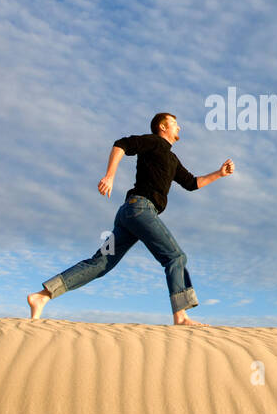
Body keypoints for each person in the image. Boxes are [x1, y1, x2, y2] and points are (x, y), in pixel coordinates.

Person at [27, 112, 234, 326]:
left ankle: (42, 296)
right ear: (163, 127)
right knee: (175, 257)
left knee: (100, 264)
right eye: (175, 123)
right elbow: (121, 145)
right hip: (140, 210)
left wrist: (219, 173)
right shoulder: (153, 142)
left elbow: (192, 183)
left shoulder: (172, 159)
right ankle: (181, 316)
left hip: (129, 215)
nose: (179, 127)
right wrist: (110, 176)